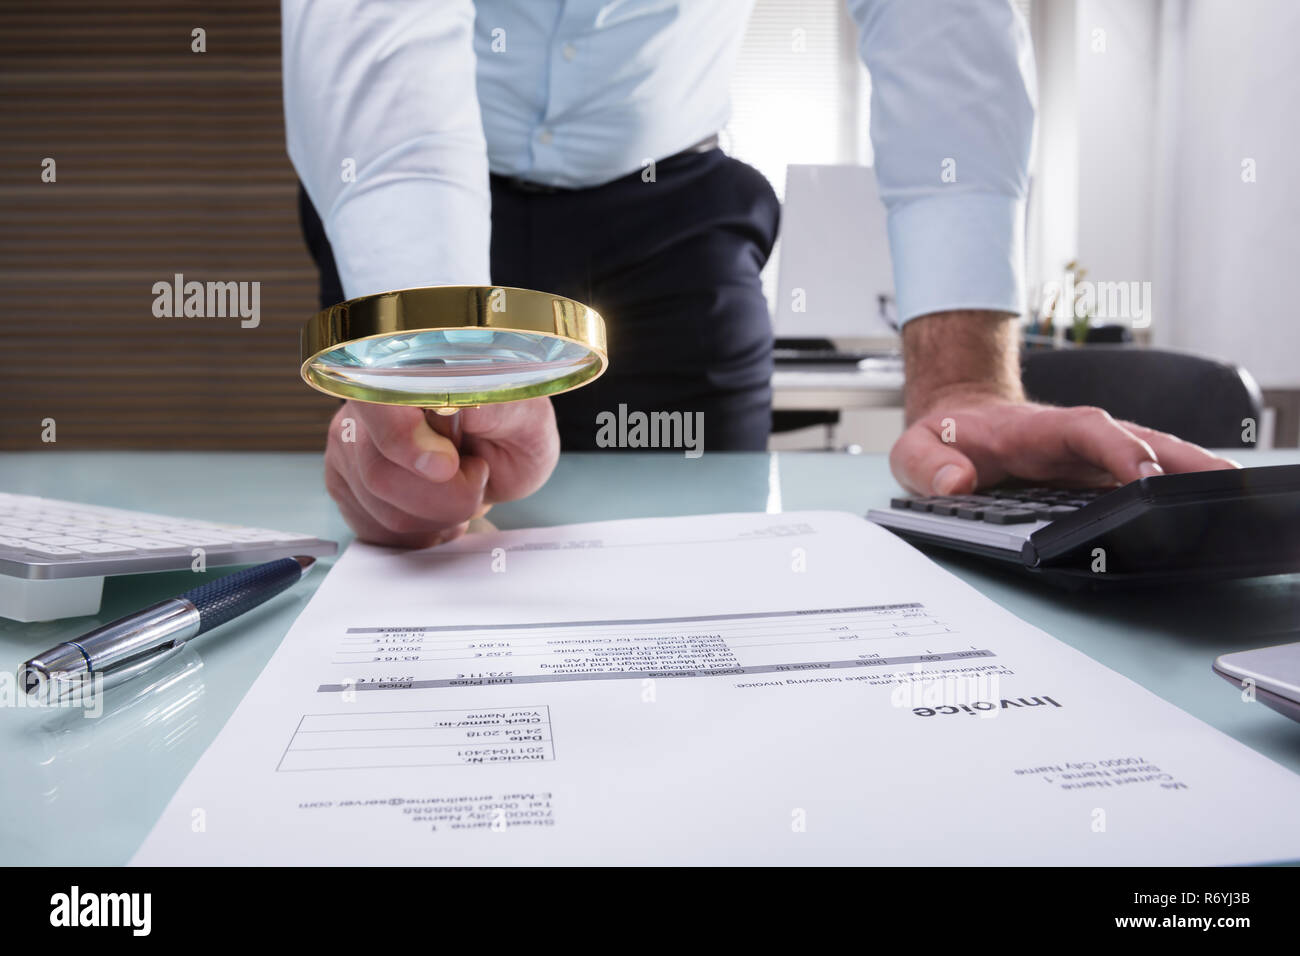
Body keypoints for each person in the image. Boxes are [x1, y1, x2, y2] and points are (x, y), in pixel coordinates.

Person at [283, 0, 1236, 547]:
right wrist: (427, 369)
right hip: (423, 163)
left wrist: (963, 385)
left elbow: (935, 17)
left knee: (708, 568)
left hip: (671, 207)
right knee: (420, 518)